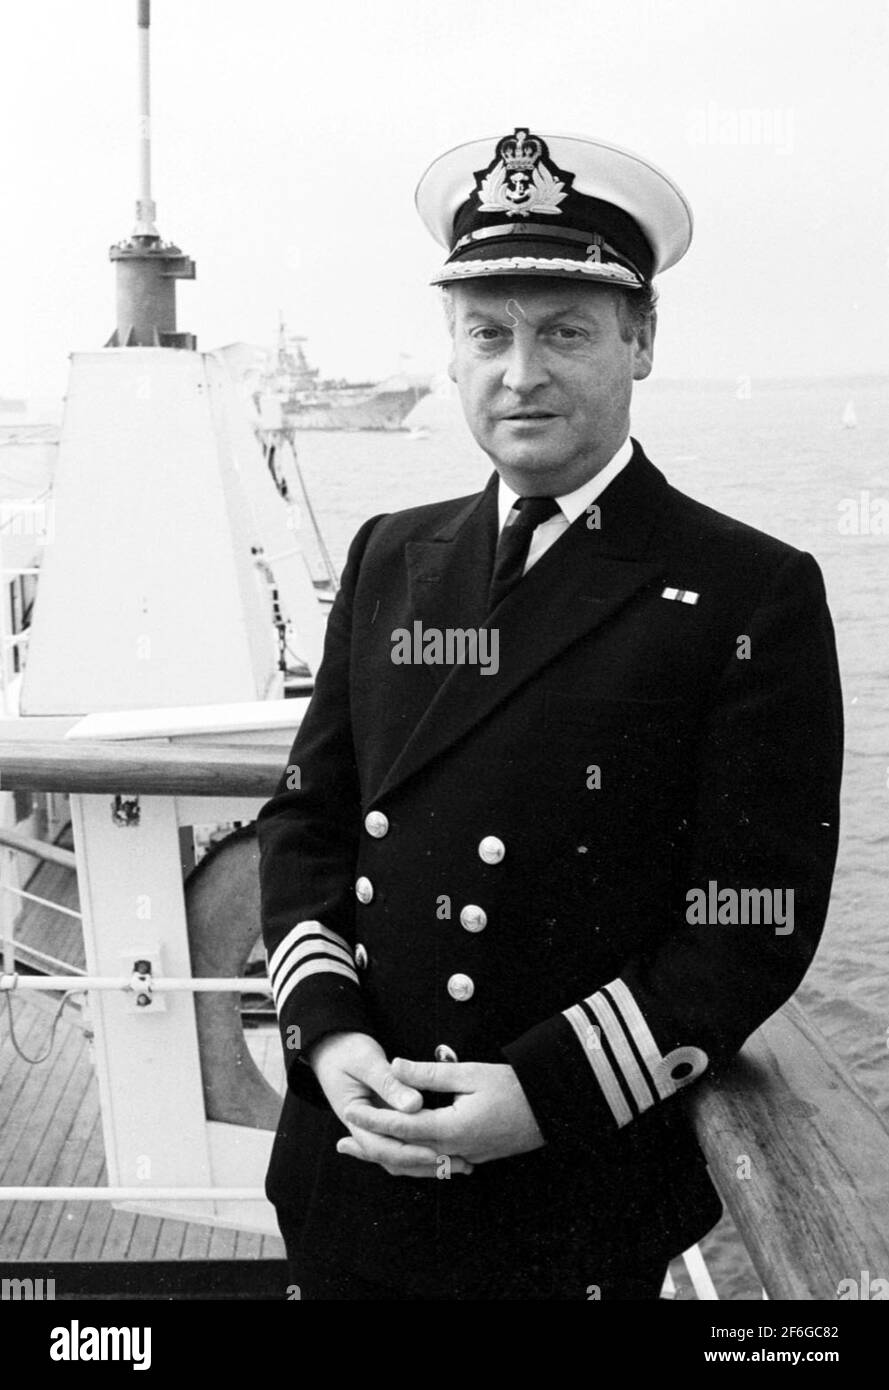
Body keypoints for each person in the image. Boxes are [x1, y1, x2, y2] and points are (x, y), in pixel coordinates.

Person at [256, 127, 844, 1300]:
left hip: (561, 1196)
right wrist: (329, 1031)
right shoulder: (390, 555)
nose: (519, 372)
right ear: (453, 351)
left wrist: (541, 1096)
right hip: (351, 1160)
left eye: (563, 331)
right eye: (488, 333)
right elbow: (308, 819)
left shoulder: (744, 592)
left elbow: (752, 912)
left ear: (641, 341)